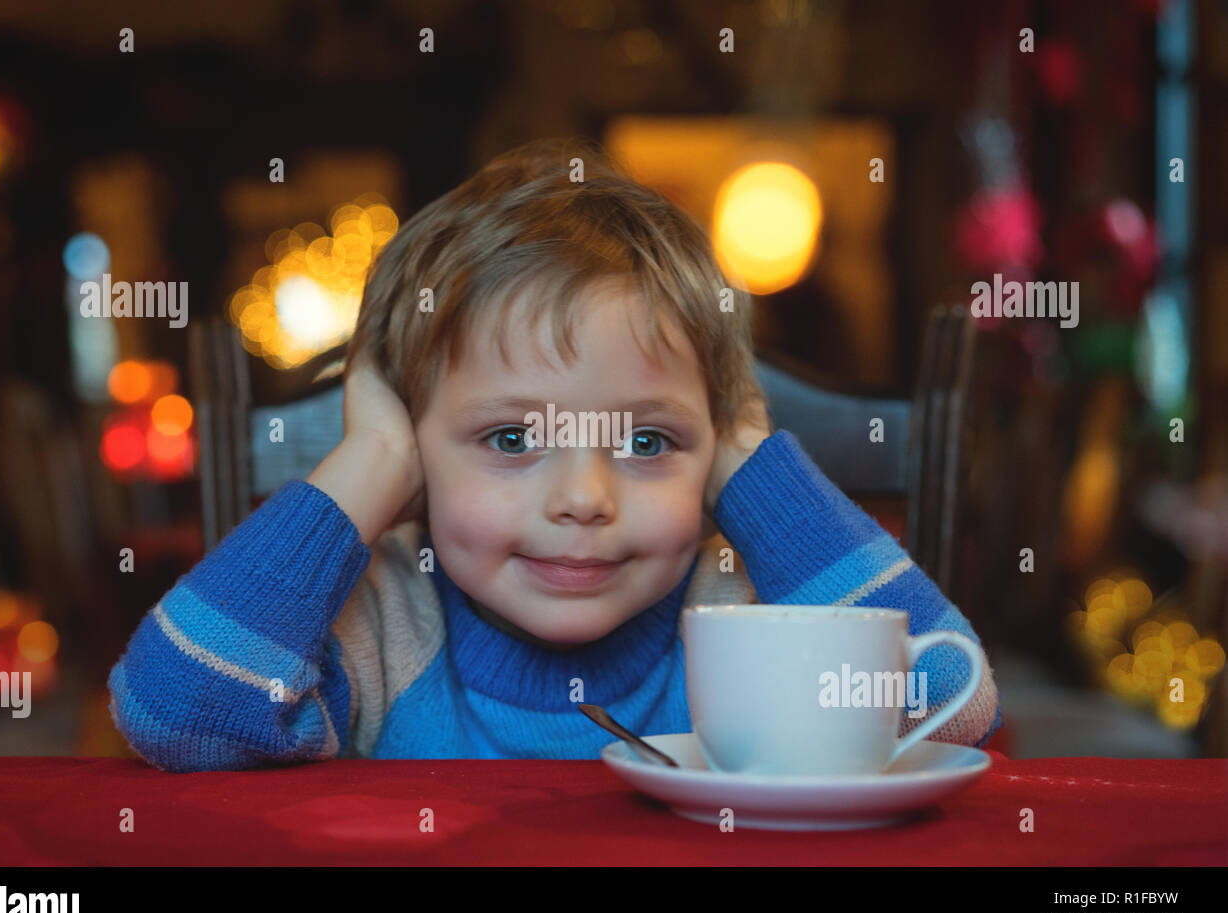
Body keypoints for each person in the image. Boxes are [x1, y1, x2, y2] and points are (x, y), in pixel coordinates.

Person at [107, 137, 1001, 771]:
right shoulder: (382, 620)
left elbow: (949, 705)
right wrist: (372, 455)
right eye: (510, 438)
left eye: (648, 440)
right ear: (418, 454)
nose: (583, 497)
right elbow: (173, 709)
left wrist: (745, 457)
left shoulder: (741, 611)